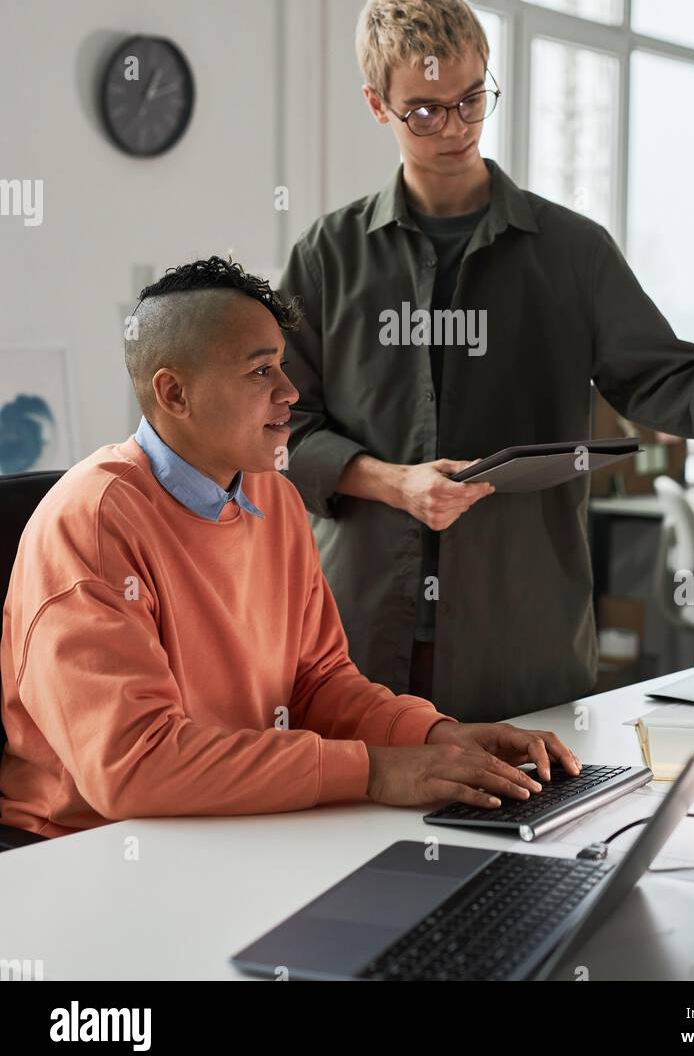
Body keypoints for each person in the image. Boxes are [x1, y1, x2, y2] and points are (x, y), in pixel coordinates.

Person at [278, 0, 694, 721]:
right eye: (425, 111)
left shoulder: (571, 252)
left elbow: (661, 377)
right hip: (355, 633)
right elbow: (282, 429)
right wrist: (394, 483)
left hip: (522, 639)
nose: (456, 128)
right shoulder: (328, 256)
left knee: (527, 830)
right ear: (376, 103)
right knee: (344, 839)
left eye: (472, 99)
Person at [0, 257, 579, 838]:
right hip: (90, 848)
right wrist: (374, 770)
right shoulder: (92, 524)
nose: (290, 391)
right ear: (174, 393)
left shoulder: (272, 495)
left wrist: (432, 735)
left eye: (282, 365)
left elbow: (318, 682)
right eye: (260, 372)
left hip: (231, 821)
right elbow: (134, 766)